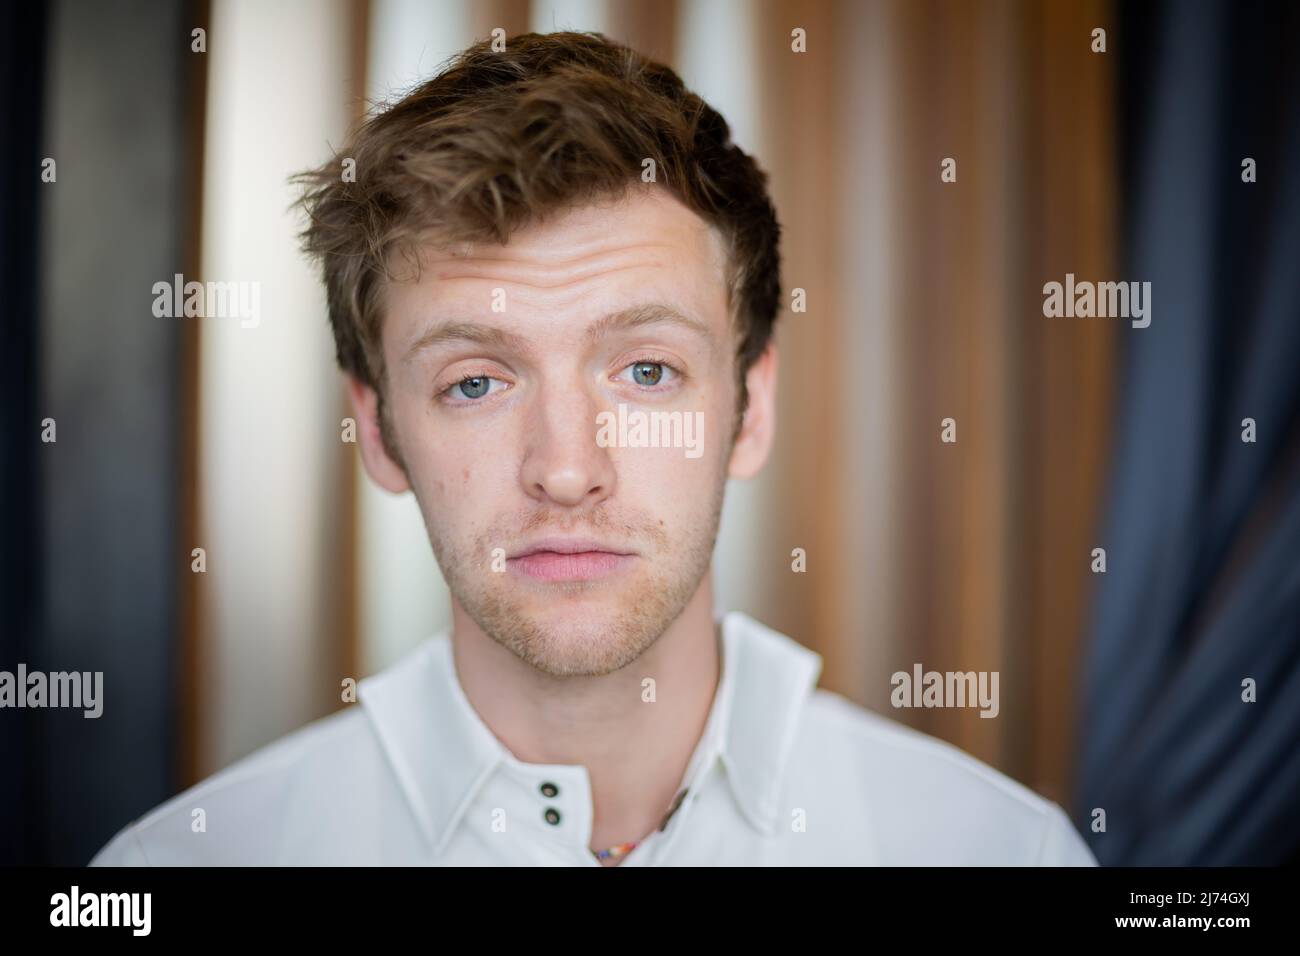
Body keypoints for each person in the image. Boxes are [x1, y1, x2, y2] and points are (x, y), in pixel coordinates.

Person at [92, 31, 1096, 867]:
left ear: (748, 410)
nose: (567, 469)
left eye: (647, 370)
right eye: (475, 381)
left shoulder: (1001, 851)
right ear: (380, 432)